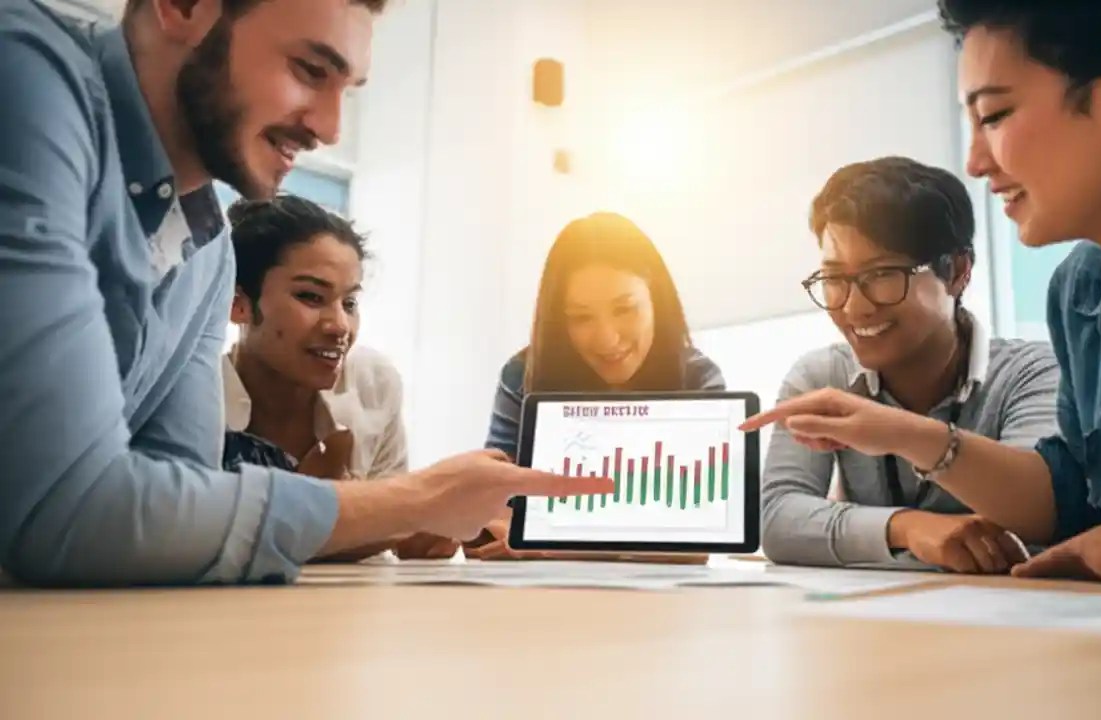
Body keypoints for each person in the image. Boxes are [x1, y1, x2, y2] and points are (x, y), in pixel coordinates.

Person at [0, 0, 607, 587]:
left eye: (347, 88)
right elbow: (69, 509)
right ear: (182, 6)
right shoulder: (27, 78)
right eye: (309, 71)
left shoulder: (209, 253)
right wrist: (413, 501)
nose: (329, 128)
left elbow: (166, 515)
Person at [745, 0, 1101, 594]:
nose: (975, 161)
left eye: (994, 114)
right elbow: (1066, 496)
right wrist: (902, 433)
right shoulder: (1081, 291)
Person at [762, 157, 1059, 573]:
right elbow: (778, 518)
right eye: (834, 279)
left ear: (957, 272)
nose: (855, 306)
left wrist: (900, 433)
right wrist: (909, 528)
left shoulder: (1030, 374)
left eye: (883, 274)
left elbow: (1041, 512)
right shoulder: (823, 376)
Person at [472, 211, 725, 559]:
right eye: (580, 318)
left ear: (656, 299)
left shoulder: (697, 378)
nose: (607, 340)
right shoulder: (522, 376)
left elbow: (694, 542)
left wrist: (551, 545)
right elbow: (492, 503)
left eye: (625, 309)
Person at [222, 195, 458, 560]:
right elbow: (204, 541)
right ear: (238, 303)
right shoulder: (193, 395)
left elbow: (396, 530)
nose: (340, 326)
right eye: (311, 297)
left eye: (349, 303)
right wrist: (394, 515)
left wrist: (422, 531)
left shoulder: (373, 384)